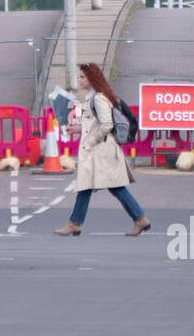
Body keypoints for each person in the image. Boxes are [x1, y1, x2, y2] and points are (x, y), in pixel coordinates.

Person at [54, 62, 151, 237]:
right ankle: (139, 219)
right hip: (101, 151)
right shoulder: (94, 97)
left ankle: (75, 223)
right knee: (94, 186)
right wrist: (77, 129)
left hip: (102, 151)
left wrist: (89, 142)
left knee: (105, 187)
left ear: (92, 78)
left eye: (82, 76)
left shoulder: (98, 98)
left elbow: (107, 124)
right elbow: (95, 123)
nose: (79, 79)